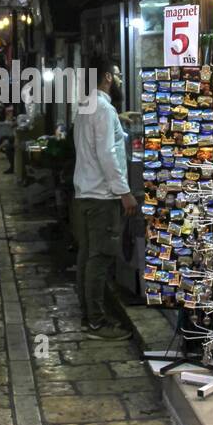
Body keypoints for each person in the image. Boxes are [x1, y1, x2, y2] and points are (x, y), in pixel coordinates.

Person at [72, 52, 136, 340]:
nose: (120, 79)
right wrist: (124, 192)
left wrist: (118, 120)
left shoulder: (86, 105)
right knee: (99, 259)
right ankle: (96, 321)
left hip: (85, 193)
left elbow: (94, 140)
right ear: (108, 77)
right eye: (118, 74)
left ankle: (88, 314)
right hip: (102, 196)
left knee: (87, 256)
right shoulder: (103, 109)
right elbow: (107, 153)